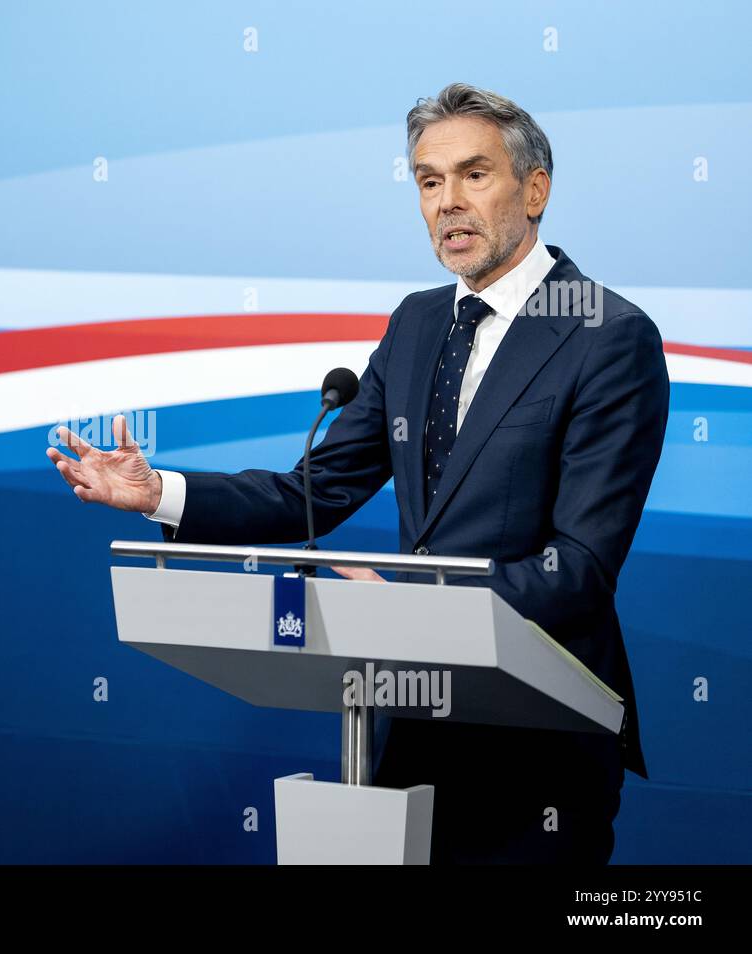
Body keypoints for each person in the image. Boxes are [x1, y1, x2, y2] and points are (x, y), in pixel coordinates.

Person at [46, 82, 669, 864]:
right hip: (416, 727)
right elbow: (313, 493)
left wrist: (415, 605)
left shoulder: (607, 336)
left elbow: (578, 571)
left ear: (535, 189)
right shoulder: (415, 324)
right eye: (428, 180)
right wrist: (160, 492)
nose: (447, 203)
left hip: (538, 740)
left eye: (474, 175)